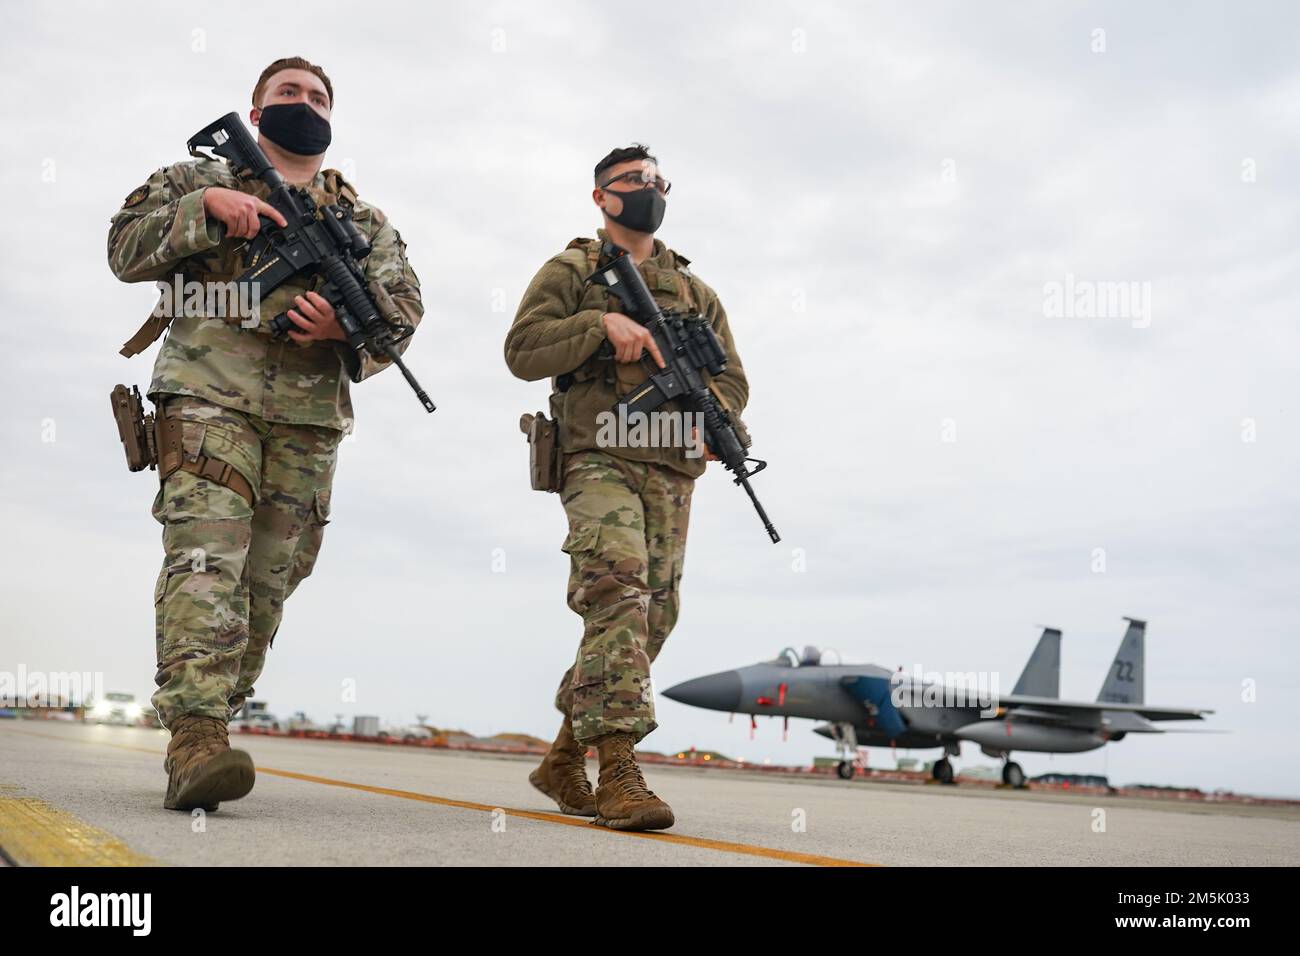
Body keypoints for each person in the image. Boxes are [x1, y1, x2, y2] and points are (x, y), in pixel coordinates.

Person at [107, 56, 424, 811]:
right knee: (207, 558)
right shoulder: (194, 180)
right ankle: (196, 738)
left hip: (309, 420)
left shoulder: (365, 221)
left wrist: (346, 327)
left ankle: (216, 714)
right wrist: (207, 207)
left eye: (317, 97)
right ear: (255, 115)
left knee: (270, 584)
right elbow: (123, 247)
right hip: (208, 395)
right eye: (288, 94)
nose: (303, 104)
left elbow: (404, 309)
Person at [505, 144, 750, 830]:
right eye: (633, 180)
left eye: (657, 181)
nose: (648, 189)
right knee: (619, 589)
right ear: (600, 197)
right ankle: (618, 769)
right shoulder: (573, 269)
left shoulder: (696, 293)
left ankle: (561, 757)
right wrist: (598, 326)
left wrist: (716, 420)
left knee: (655, 616)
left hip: (671, 470)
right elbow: (523, 350)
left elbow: (732, 380)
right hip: (597, 456)